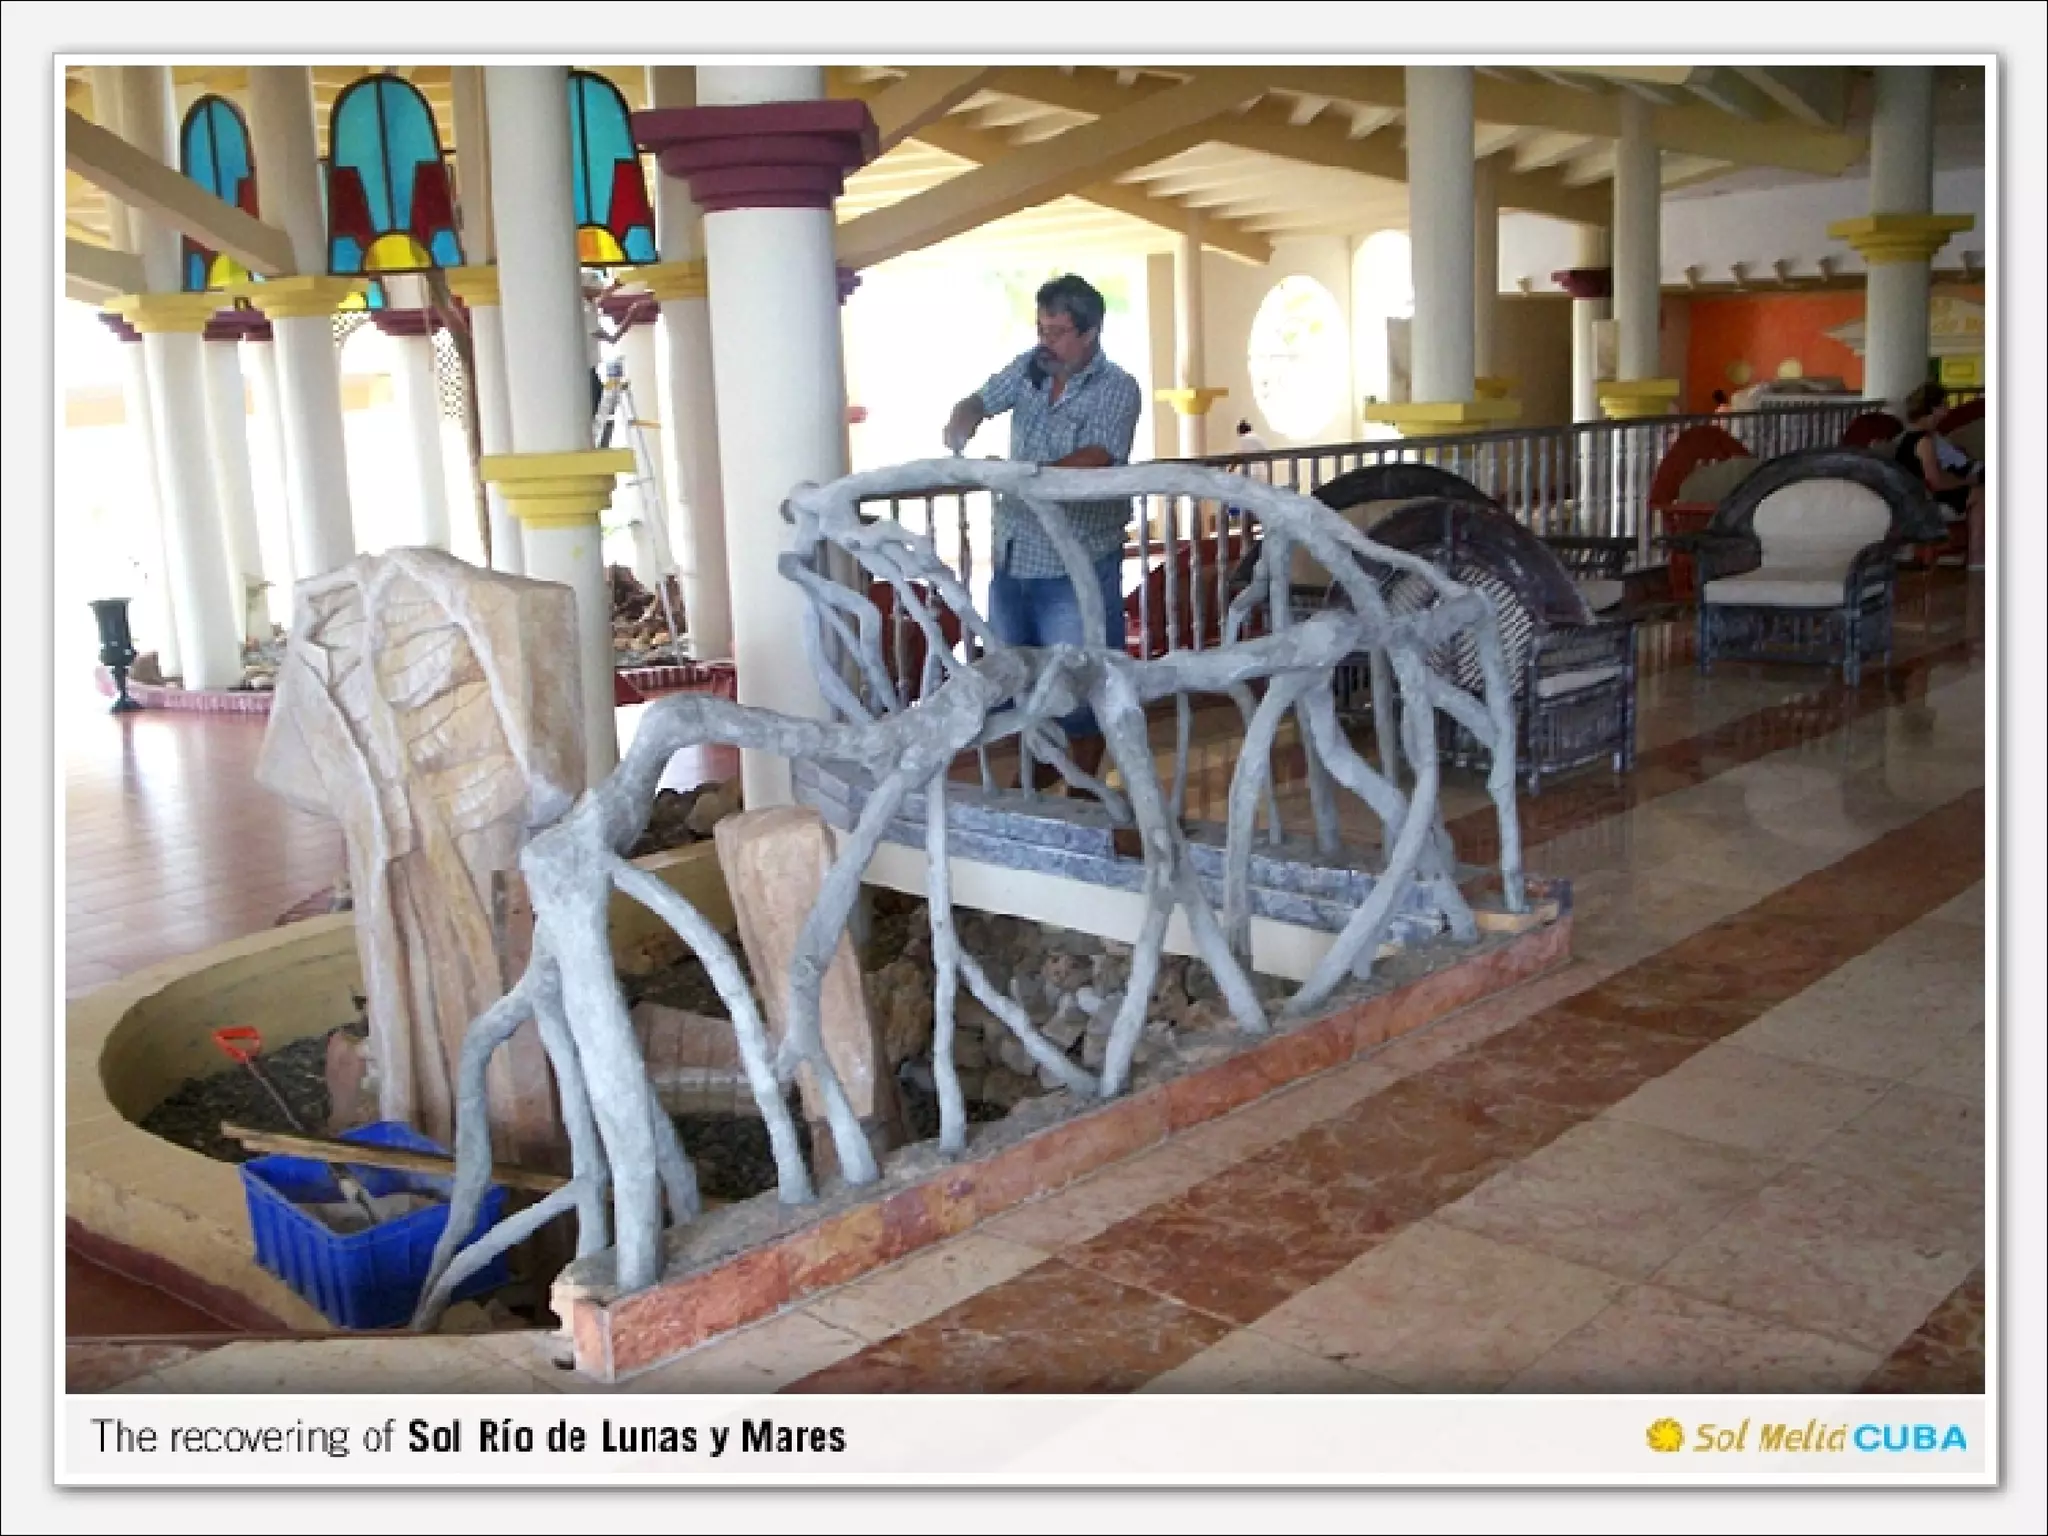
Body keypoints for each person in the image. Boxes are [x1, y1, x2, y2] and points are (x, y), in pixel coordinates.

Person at [943, 274, 1144, 786]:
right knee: (1018, 675)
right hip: (1015, 553)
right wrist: (964, 417)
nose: (1045, 341)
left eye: (1057, 331)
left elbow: (1097, 457)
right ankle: (1036, 773)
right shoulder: (1030, 370)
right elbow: (982, 399)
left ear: (1091, 332)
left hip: (1074, 558)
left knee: (1082, 678)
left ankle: (1086, 784)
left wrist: (1022, 477)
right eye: (1041, 328)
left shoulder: (1116, 388)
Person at [1893, 383, 1983, 537]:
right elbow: (1935, 482)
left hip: (1916, 495)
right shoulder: (1924, 441)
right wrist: (1969, 481)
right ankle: (1978, 556)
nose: (1947, 410)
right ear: (1932, 408)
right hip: (1924, 499)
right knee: (1982, 493)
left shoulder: (1910, 437)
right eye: (1944, 405)